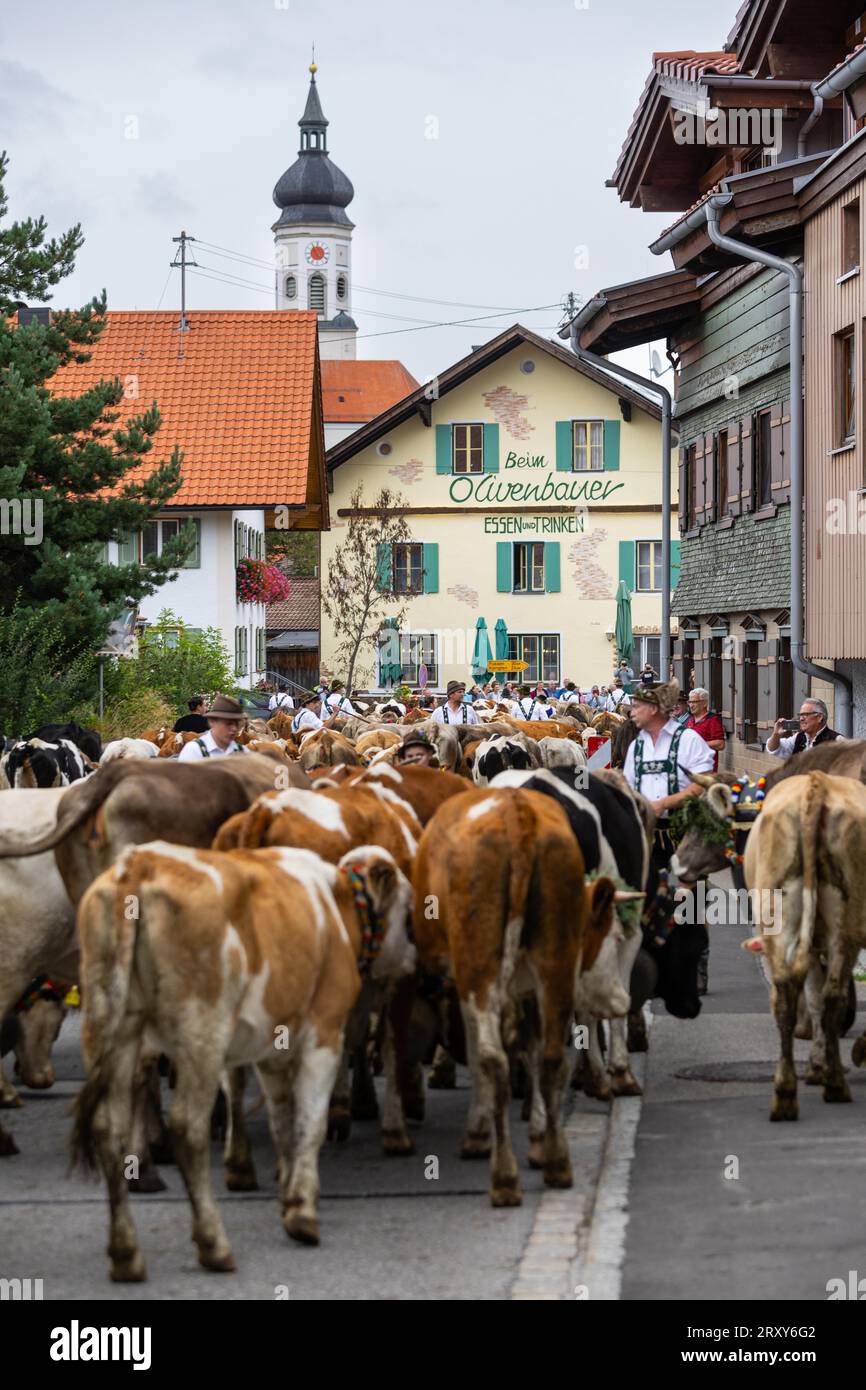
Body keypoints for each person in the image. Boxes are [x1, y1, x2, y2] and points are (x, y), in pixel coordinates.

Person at [624, 680, 715, 994]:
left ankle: (696, 968)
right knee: (649, 901)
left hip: (684, 831)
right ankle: (657, 970)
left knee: (691, 905)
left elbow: (703, 783)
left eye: (636, 706)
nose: (631, 711)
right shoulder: (637, 745)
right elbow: (628, 787)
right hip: (649, 834)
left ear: (653, 709)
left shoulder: (688, 739)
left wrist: (662, 803)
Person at [177, 694, 247, 760]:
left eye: (237, 724)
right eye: (228, 723)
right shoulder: (194, 751)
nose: (234, 728)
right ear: (212, 722)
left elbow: (174, 739)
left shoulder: (180, 721)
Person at [766, 698, 841, 757]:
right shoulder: (798, 737)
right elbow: (773, 749)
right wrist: (776, 735)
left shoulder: (837, 740)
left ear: (819, 717)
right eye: (800, 715)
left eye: (805, 715)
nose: (801, 719)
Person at [686, 687, 726, 770]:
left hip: (706, 769)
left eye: (694, 702)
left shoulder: (712, 720)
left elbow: (720, 744)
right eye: (690, 702)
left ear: (704, 703)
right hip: (690, 768)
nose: (691, 705)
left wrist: (698, 744)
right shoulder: (690, 720)